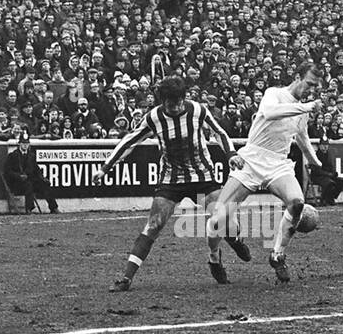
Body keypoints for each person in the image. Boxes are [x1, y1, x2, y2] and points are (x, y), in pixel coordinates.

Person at [99, 74, 250, 292]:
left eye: (180, 102)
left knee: (221, 219)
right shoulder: (154, 117)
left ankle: (219, 254)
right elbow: (129, 141)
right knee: (153, 226)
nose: (177, 107)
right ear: (163, 101)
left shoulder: (197, 110)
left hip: (203, 176)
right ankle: (126, 278)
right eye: (172, 104)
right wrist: (105, 167)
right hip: (171, 179)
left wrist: (231, 154)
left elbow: (220, 132)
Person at [207, 61, 324, 283]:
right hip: (251, 160)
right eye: (309, 84)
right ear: (297, 78)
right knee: (217, 220)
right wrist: (306, 107)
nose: (311, 90)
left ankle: (277, 254)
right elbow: (270, 113)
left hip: (278, 163)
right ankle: (214, 258)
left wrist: (315, 161)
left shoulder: (301, 111)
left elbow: (302, 138)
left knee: (297, 202)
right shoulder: (274, 94)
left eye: (315, 87)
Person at [2, 129, 58, 215]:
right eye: (23, 143)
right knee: (28, 185)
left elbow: (37, 170)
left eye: (27, 143)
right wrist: (18, 176)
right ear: (19, 144)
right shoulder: (13, 156)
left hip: (29, 180)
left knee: (44, 185)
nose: (25, 145)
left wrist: (42, 178)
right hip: (17, 183)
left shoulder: (31, 156)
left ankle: (54, 208)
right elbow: (7, 171)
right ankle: (29, 208)